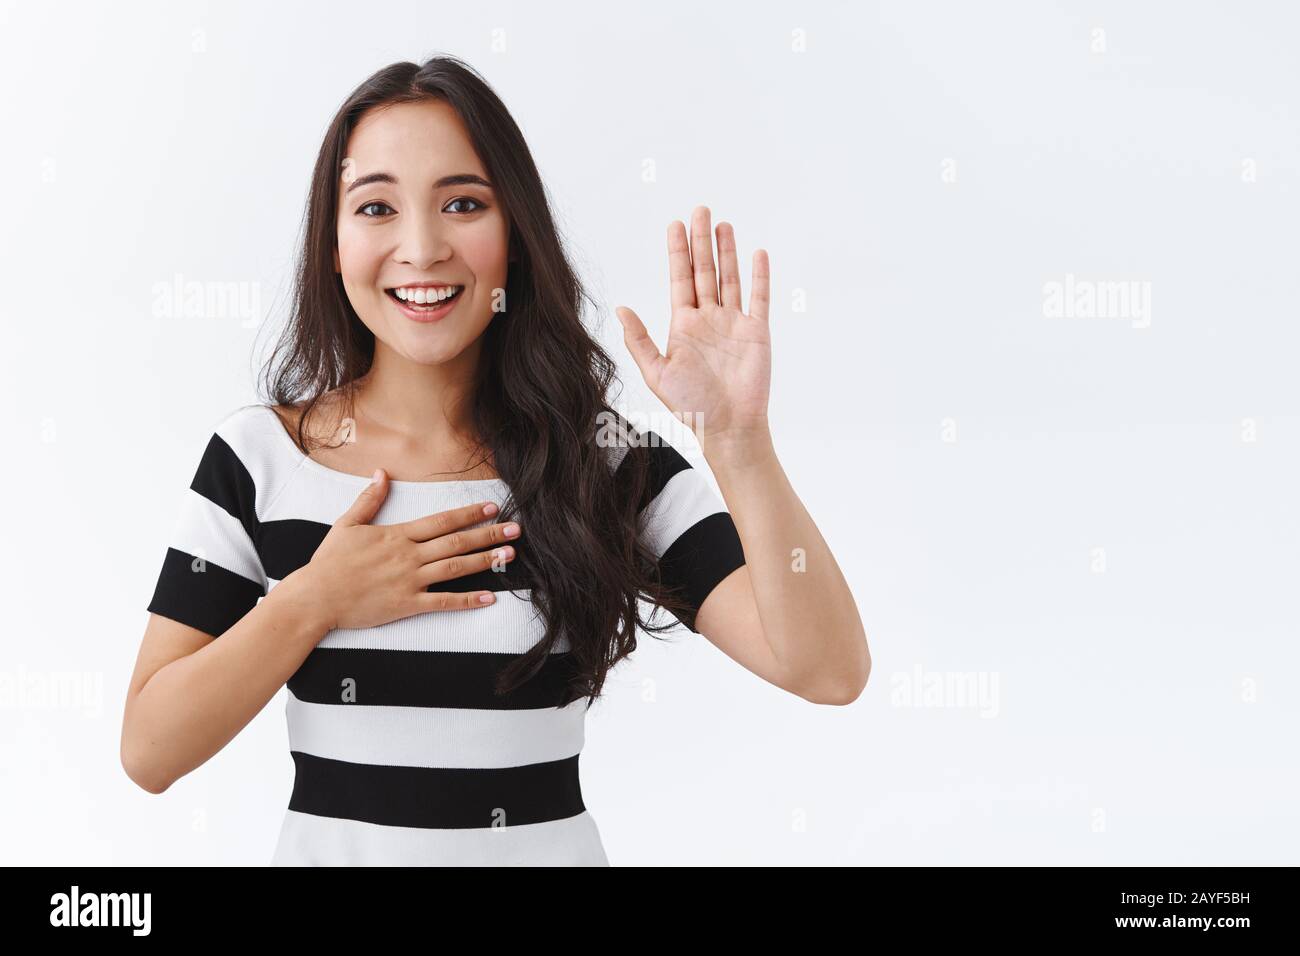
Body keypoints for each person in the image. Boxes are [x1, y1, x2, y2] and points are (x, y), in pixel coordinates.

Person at [122, 54, 870, 866]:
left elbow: (825, 669)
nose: (422, 247)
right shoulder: (260, 459)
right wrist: (314, 601)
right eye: (376, 207)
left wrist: (738, 442)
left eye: (464, 204)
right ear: (333, 247)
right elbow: (150, 751)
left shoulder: (602, 461)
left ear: (513, 235)